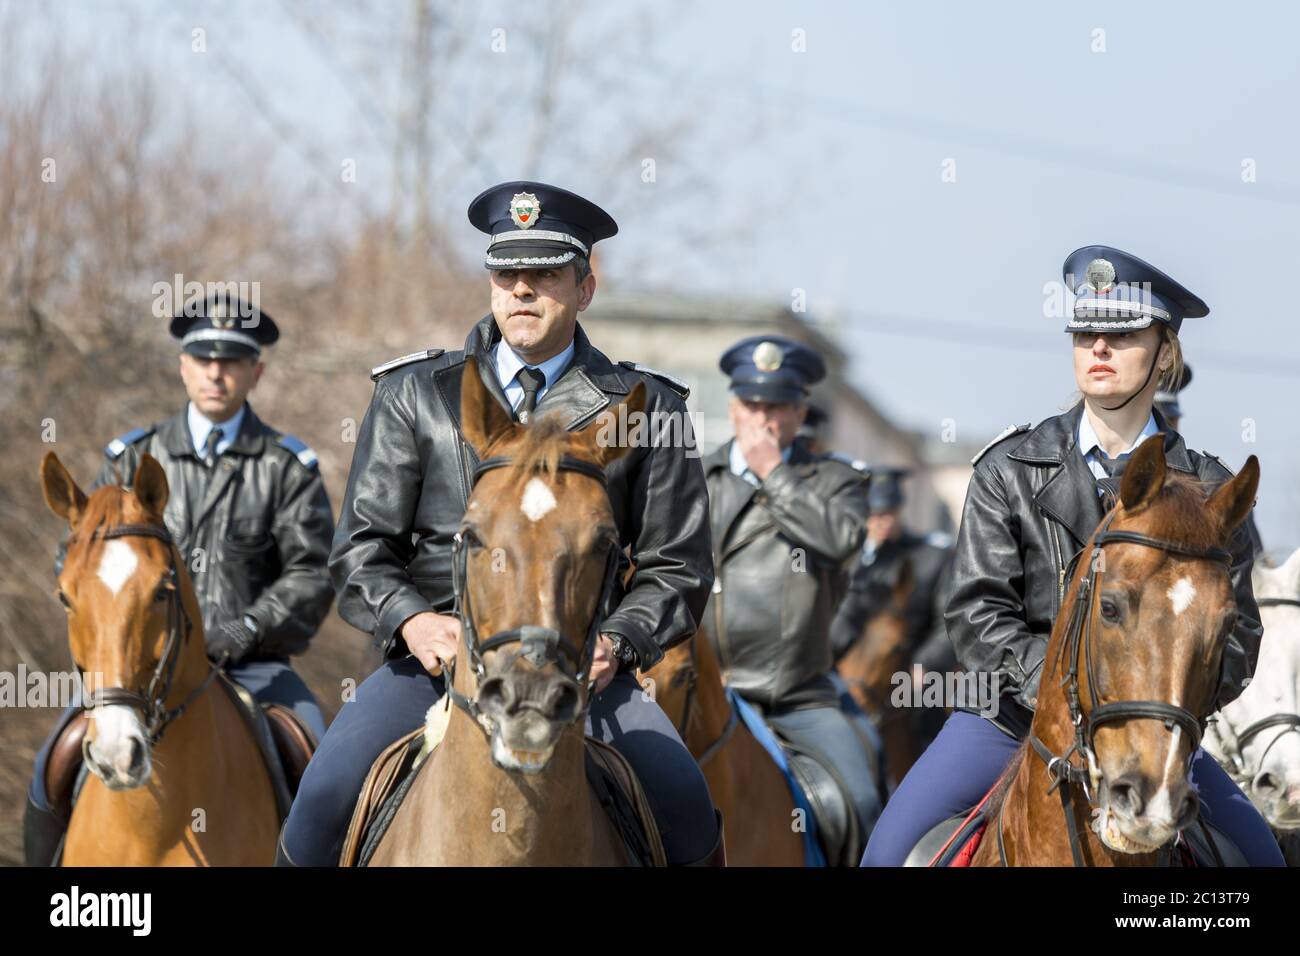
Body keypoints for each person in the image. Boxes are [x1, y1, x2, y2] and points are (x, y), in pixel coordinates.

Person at [279, 181, 723, 866]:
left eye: (543, 274)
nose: (522, 289)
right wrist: (412, 621)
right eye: (506, 273)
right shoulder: (413, 394)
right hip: (430, 668)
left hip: (582, 670)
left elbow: (679, 565)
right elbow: (361, 549)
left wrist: (619, 642)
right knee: (320, 800)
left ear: (584, 289)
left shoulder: (648, 408)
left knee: (686, 810)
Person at [862, 244, 1283, 866]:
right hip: (1005, 719)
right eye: (1085, 333)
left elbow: (1240, 634)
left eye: (1122, 335)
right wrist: (1070, 697)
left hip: (1156, 730)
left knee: (1263, 859)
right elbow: (976, 612)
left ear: (1166, 351)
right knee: (886, 853)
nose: (1099, 349)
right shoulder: (1007, 469)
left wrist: (1164, 710)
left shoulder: (1214, 492)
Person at [25, 292, 335, 865]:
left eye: (233, 361)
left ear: (255, 371)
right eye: (204, 359)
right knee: (52, 765)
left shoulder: (286, 467)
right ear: (183, 366)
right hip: (130, 666)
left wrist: (244, 629)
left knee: (321, 772)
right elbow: (76, 561)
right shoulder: (129, 458)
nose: (217, 373)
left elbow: (314, 572)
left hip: (257, 666)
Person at [702, 335, 883, 857]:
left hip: (798, 699)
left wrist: (774, 475)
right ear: (733, 407)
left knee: (862, 805)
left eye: (777, 406)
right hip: (702, 690)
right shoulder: (698, 478)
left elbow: (844, 540)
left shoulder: (835, 480)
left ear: (801, 412)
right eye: (752, 404)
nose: (763, 419)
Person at [830, 467, 956, 749]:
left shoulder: (932, 557)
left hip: (912, 670)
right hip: (858, 670)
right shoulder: (851, 562)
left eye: (890, 513)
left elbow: (949, 623)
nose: (883, 522)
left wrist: (925, 664)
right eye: (875, 515)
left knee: (928, 714)